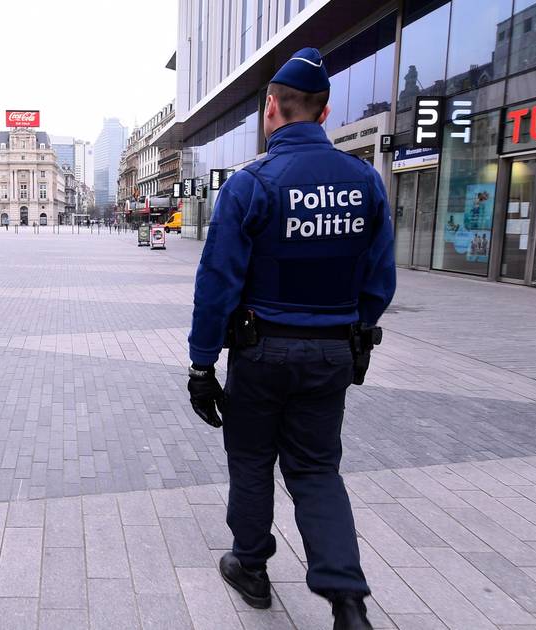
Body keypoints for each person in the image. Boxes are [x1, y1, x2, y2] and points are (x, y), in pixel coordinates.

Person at [186, 47, 395, 630]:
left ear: (271, 108)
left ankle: (250, 566)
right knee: (316, 469)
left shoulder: (253, 184)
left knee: (252, 458)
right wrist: (357, 333)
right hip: (331, 352)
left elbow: (217, 283)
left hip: (260, 352)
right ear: (324, 114)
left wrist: (203, 365)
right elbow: (381, 279)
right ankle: (347, 601)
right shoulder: (364, 182)